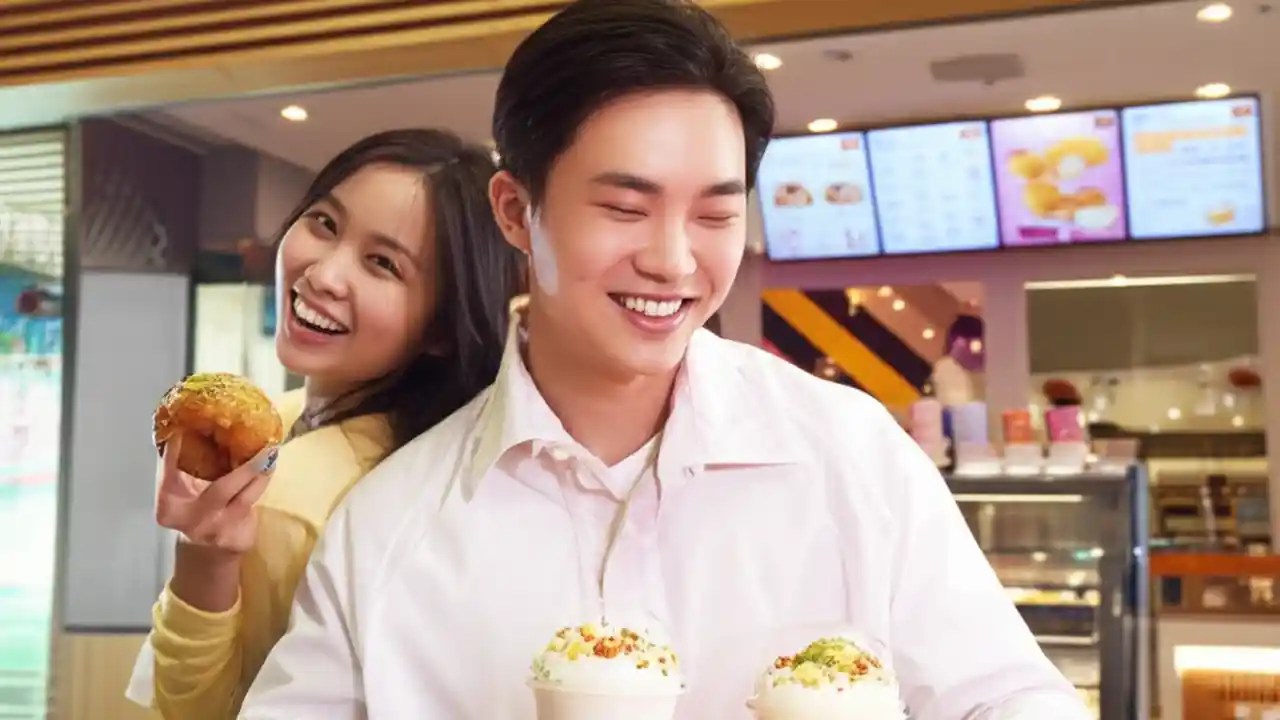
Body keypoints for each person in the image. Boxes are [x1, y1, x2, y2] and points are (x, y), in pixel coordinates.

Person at [240, 2, 1090, 718]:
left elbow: (1010, 697)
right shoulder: (387, 528)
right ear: (514, 210)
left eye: (715, 216)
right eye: (624, 207)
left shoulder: (850, 458)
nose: (675, 262)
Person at [123, 129, 525, 719]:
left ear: (442, 327)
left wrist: (203, 558)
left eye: (383, 264)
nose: (325, 273)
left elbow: (201, 709)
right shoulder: (307, 423)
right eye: (325, 223)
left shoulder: (294, 494)